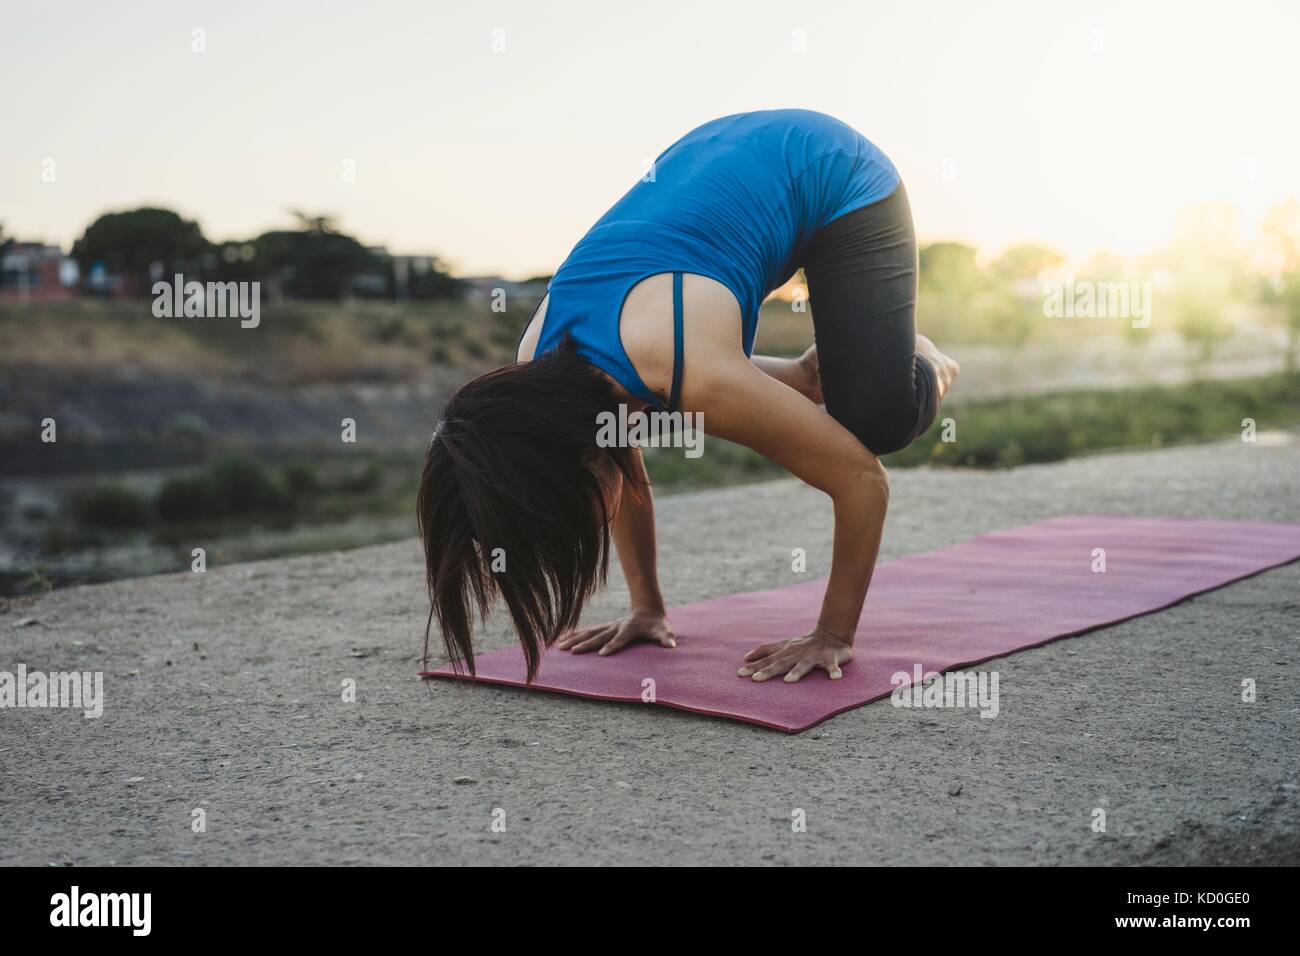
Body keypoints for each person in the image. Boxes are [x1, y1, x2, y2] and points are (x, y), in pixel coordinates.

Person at [419, 109, 960, 685]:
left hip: (839, 174)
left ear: (582, 464)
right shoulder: (540, 385)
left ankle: (918, 358)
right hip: (728, 158)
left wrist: (832, 635)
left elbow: (861, 480)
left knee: (873, 421)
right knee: (763, 385)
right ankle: (825, 367)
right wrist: (647, 609)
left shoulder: (687, 374)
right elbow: (616, 457)